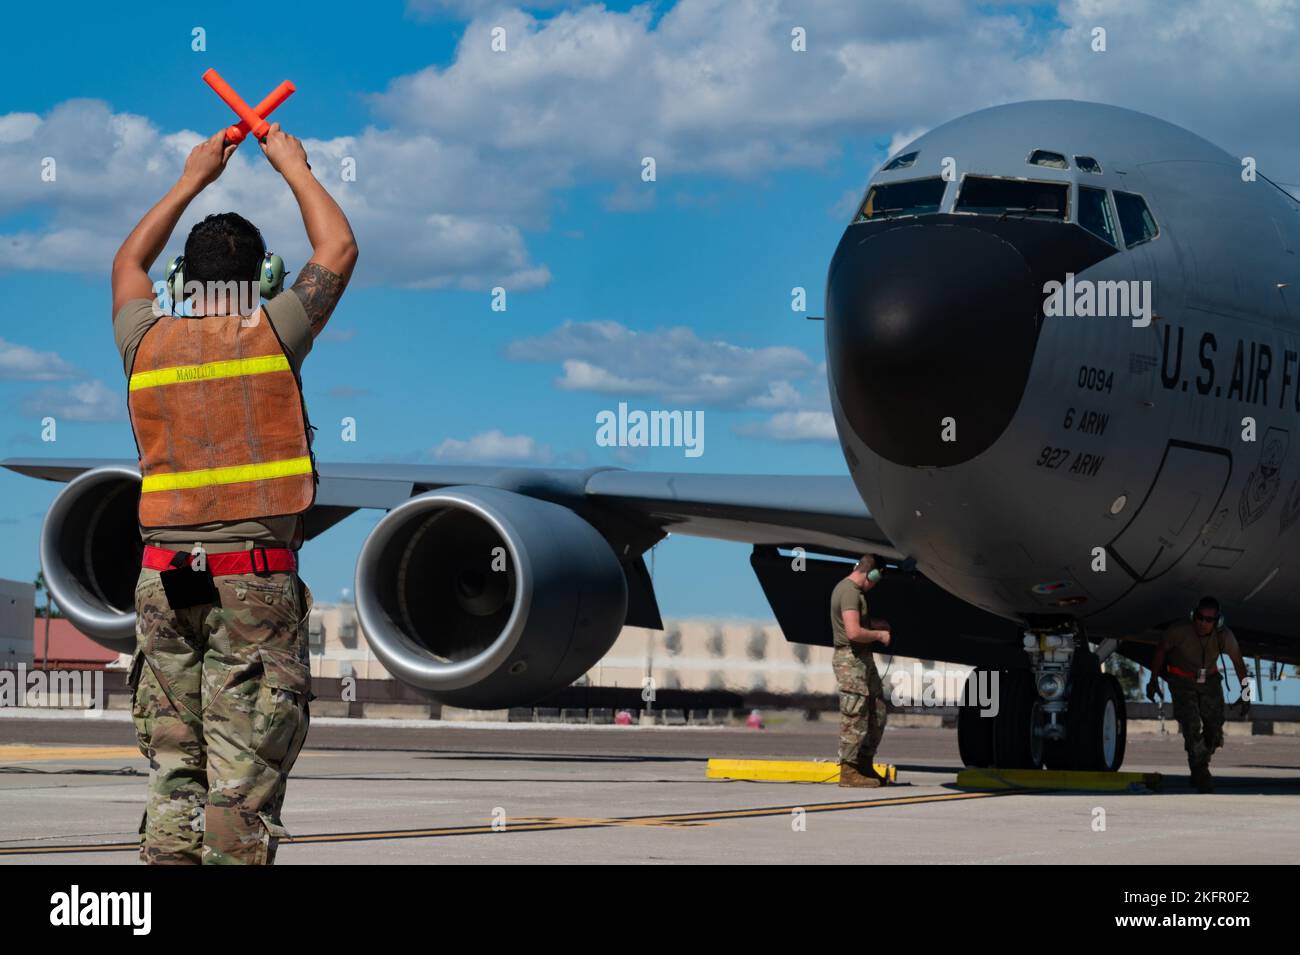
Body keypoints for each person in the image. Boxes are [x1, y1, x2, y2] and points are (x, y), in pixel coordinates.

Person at [112, 124, 358, 863]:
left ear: (184, 281)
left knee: (174, 776)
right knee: (239, 787)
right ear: (264, 278)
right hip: (251, 584)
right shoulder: (272, 332)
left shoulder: (144, 339)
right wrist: (292, 165)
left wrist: (192, 177)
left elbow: (127, 260)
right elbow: (339, 250)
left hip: (163, 581)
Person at [1146, 596, 1251, 794]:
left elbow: (1238, 662)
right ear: (1194, 615)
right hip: (1181, 680)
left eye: (1209, 620)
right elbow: (1161, 650)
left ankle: (1199, 761)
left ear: (1218, 621)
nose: (1203, 623)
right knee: (1191, 725)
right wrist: (1153, 680)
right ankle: (1201, 772)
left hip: (1210, 680)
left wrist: (1246, 692)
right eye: (1200, 618)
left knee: (1214, 727)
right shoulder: (1179, 631)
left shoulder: (1224, 636)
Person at [829, 555, 893, 787]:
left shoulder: (855, 592)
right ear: (872, 574)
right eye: (877, 579)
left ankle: (864, 764)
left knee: (877, 710)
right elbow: (854, 632)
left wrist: (875, 624)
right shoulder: (849, 592)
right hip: (850, 659)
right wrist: (879, 635)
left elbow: (857, 623)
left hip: (862, 658)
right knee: (855, 713)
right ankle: (849, 770)